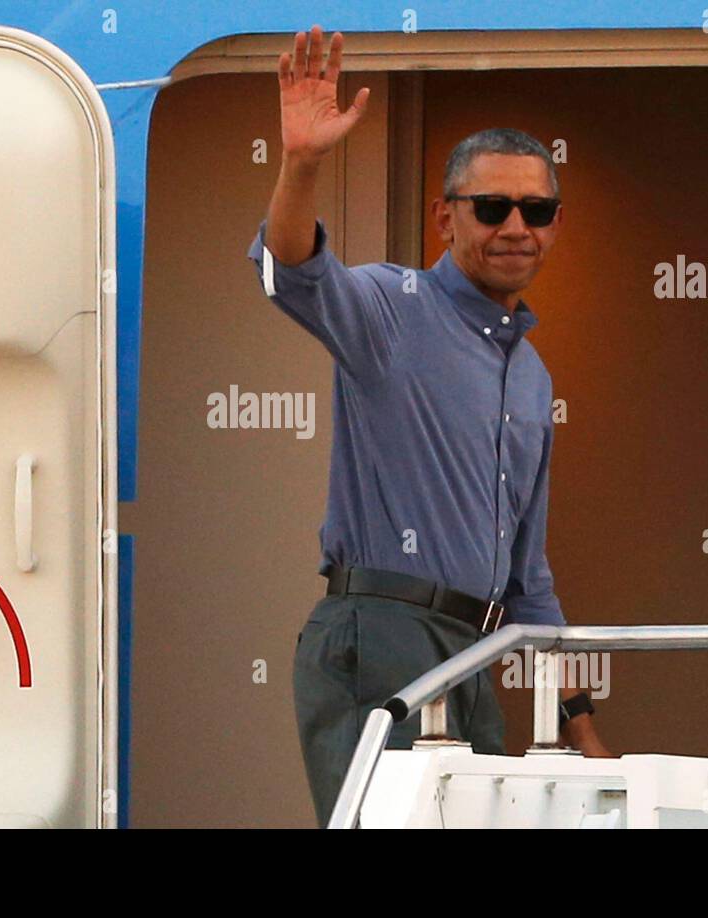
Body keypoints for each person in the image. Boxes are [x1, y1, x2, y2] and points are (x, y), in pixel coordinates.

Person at [246, 25, 612, 827]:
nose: (516, 225)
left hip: (475, 652)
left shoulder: (533, 373)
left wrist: (582, 725)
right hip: (380, 633)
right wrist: (303, 162)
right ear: (446, 219)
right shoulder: (391, 306)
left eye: (538, 209)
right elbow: (288, 273)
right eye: (492, 206)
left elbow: (528, 581)